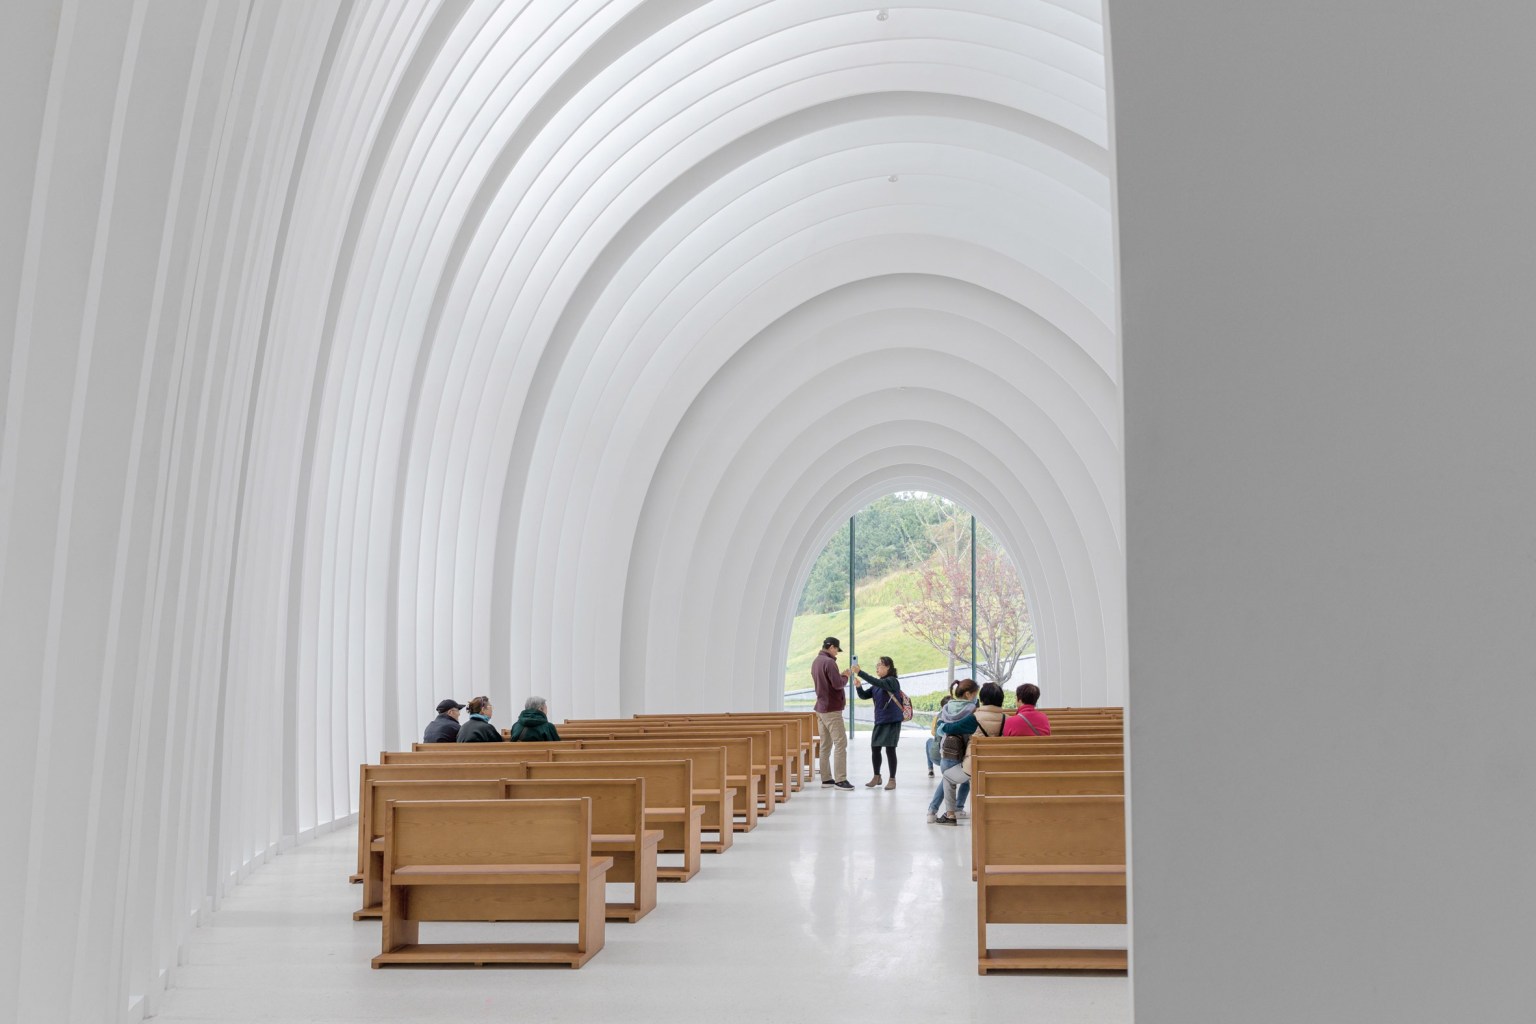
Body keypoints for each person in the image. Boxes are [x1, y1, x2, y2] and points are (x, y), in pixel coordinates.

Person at [933, 682, 1009, 821]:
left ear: (983, 700)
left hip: (975, 767)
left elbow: (951, 729)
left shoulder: (975, 718)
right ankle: (960, 808)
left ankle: (950, 815)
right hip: (999, 766)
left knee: (948, 777)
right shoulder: (1007, 719)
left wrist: (940, 725)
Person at [926, 679, 978, 824]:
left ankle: (941, 810)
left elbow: (940, 729)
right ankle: (941, 810)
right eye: (975, 694)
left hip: (946, 751)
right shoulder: (971, 710)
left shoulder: (947, 707)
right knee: (957, 778)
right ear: (968, 694)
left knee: (951, 779)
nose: (976, 697)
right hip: (962, 751)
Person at [811, 637, 854, 789]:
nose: (837, 653)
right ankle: (840, 780)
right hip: (831, 710)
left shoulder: (816, 661)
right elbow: (837, 684)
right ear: (831, 647)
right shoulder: (829, 662)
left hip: (820, 708)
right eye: (836, 649)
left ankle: (826, 779)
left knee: (825, 745)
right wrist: (846, 676)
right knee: (840, 743)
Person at [854, 656, 903, 789]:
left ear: (888, 667)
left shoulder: (892, 681)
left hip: (892, 720)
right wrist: (859, 687)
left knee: (890, 749)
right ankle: (877, 777)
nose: (877, 667)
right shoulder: (877, 685)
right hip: (880, 720)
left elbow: (880, 683)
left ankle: (892, 779)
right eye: (877, 665)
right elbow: (864, 696)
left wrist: (860, 672)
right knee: (875, 748)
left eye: (880, 665)